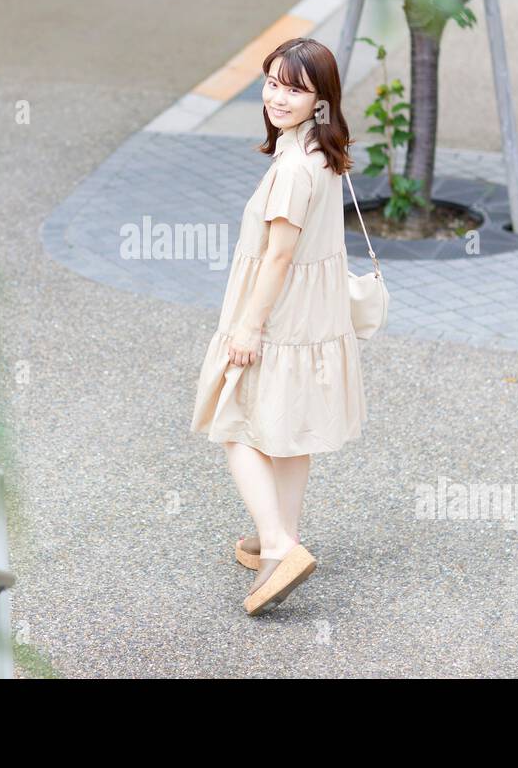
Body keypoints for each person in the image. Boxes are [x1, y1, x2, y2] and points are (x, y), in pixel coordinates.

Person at [190, 37, 368, 615]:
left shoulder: (293, 167)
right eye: (272, 82)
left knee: (232, 422)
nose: (277, 96)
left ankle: (277, 543)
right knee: (290, 431)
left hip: (280, 314)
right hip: (310, 316)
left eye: (293, 88)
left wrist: (247, 327)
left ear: (319, 98)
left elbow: (279, 256)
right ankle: (281, 542)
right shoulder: (320, 149)